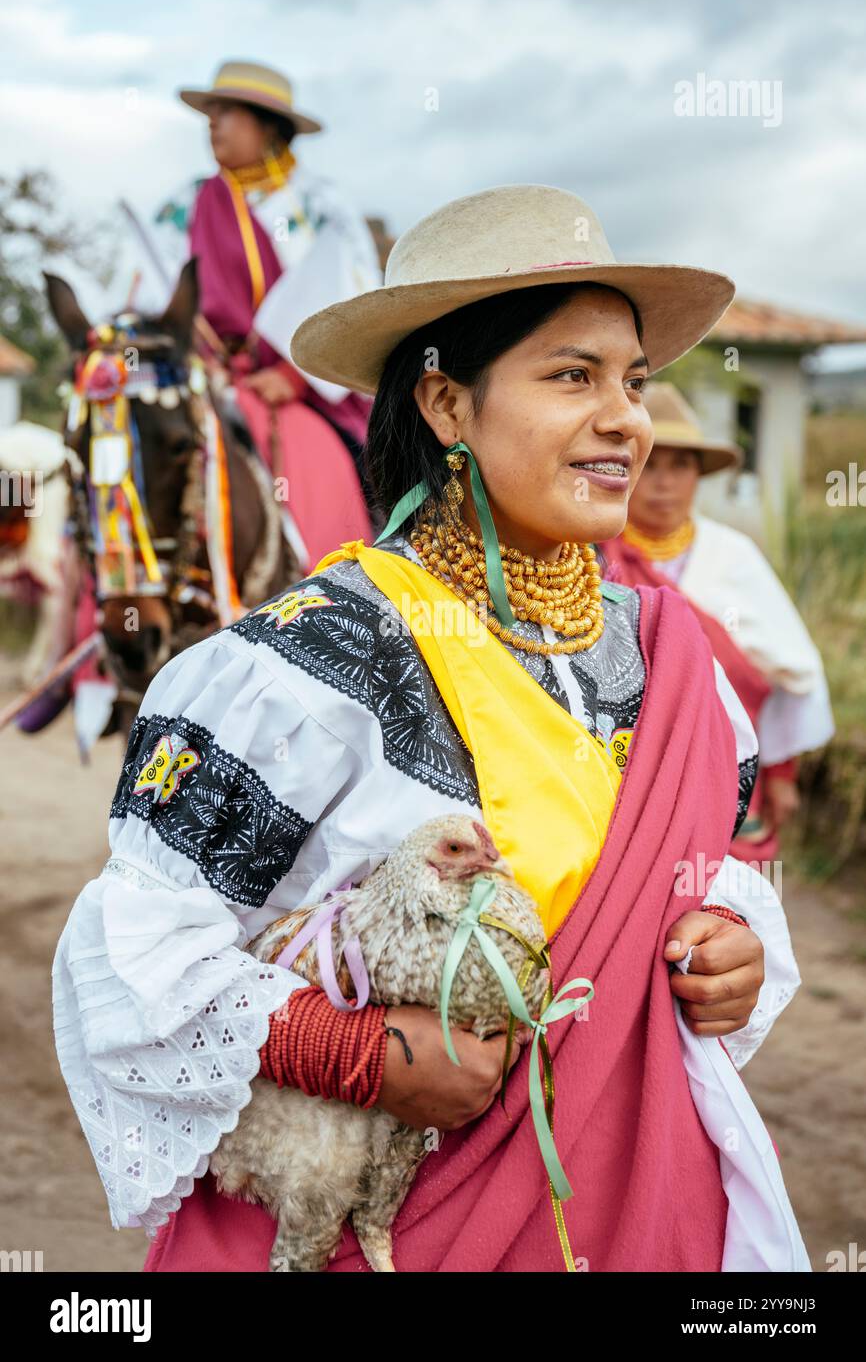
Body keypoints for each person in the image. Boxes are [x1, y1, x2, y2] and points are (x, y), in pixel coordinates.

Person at [52, 184, 811, 1273]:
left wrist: (731, 957)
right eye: (571, 376)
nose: (627, 420)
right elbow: (125, 959)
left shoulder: (673, 657)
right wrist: (352, 1050)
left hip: (647, 1222)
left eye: (633, 382)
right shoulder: (296, 665)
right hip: (397, 1233)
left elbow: (712, 869)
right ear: (448, 407)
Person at [126, 59, 382, 571]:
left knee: (370, 468)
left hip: (302, 386)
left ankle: (363, 574)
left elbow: (355, 300)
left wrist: (296, 375)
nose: (211, 124)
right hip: (202, 377)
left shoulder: (318, 205)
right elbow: (147, 299)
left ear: (268, 126)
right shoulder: (185, 204)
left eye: (225, 113)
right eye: (209, 113)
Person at [599, 381, 834, 863]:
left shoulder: (733, 557)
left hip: (730, 766)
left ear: (698, 477)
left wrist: (781, 773)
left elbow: (775, 670)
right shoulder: (592, 554)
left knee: (727, 898)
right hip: (621, 770)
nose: (664, 483)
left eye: (680, 466)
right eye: (652, 464)